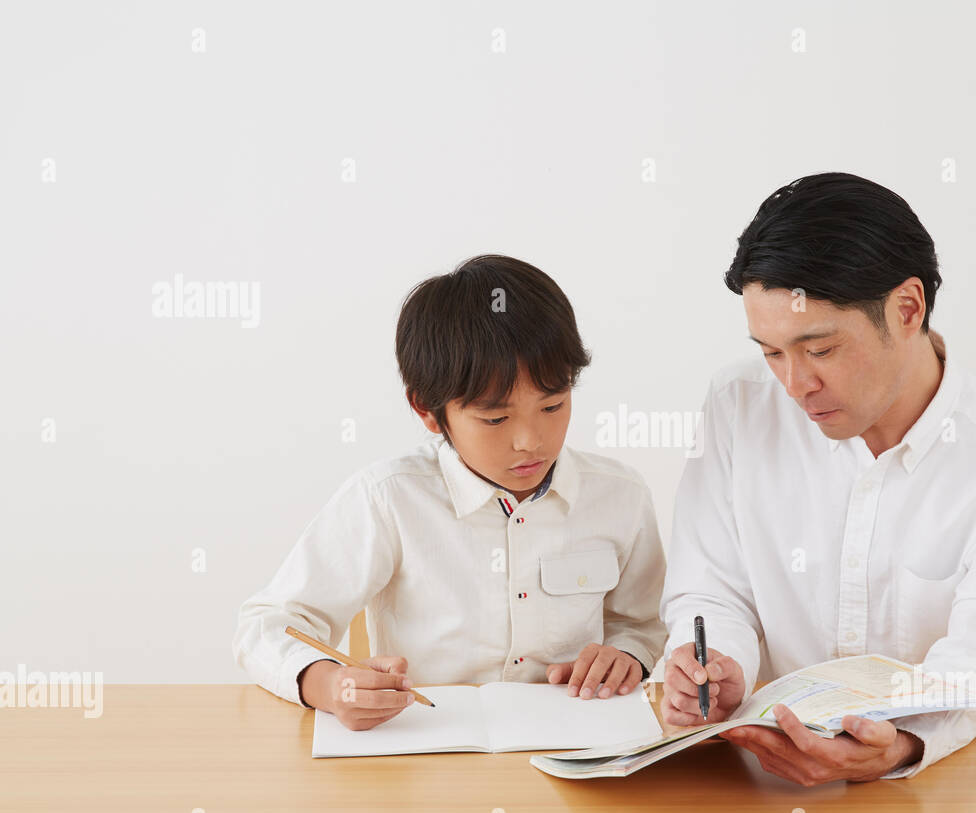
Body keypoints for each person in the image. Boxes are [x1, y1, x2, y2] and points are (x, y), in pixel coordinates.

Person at [659, 172, 976, 783]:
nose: (794, 385)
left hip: (943, 799)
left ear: (907, 308)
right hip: (763, 790)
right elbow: (711, 591)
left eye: (820, 349)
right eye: (771, 352)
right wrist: (719, 667)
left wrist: (904, 744)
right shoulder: (739, 404)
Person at [234, 254, 667, 730]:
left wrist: (627, 655)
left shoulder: (620, 496)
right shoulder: (388, 499)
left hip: (575, 749)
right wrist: (332, 686)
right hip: (426, 755)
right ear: (427, 409)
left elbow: (642, 623)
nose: (530, 441)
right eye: (495, 419)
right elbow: (267, 625)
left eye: (553, 405)